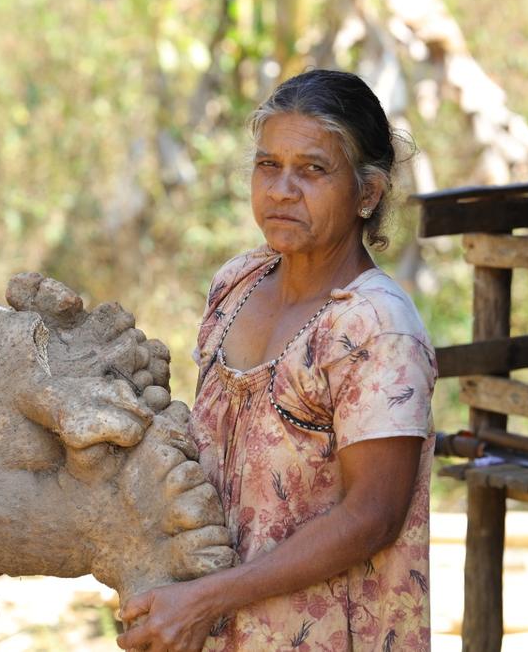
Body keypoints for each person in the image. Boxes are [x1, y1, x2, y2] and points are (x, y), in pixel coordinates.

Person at [118, 69, 437, 651]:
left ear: (368, 194)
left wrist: (209, 598)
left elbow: (373, 516)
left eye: (313, 169)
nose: (282, 190)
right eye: (268, 165)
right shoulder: (238, 282)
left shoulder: (373, 326)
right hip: (209, 625)